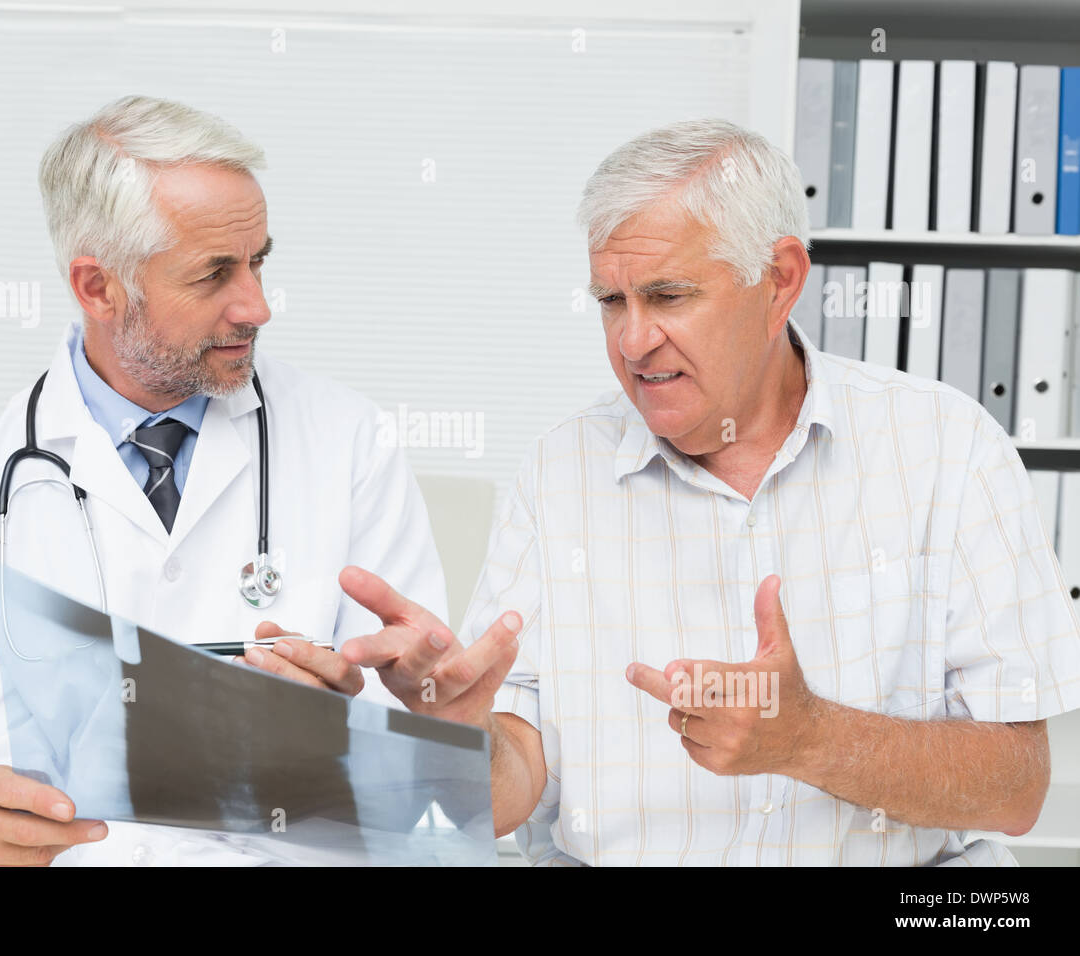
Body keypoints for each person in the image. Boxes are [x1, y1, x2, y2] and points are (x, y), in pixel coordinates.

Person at [340, 118, 1080, 865]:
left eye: (668, 296)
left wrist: (810, 738)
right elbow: (516, 783)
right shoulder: (558, 470)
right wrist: (466, 732)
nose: (632, 341)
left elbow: (1015, 791)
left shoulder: (948, 447)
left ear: (780, 281)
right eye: (610, 301)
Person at [0, 95, 446, 866]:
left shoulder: (352, 444)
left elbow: (430, 778)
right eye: (214, 274)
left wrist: (345, 742)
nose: (256, 305)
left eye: (258, 261)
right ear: (97, 288)